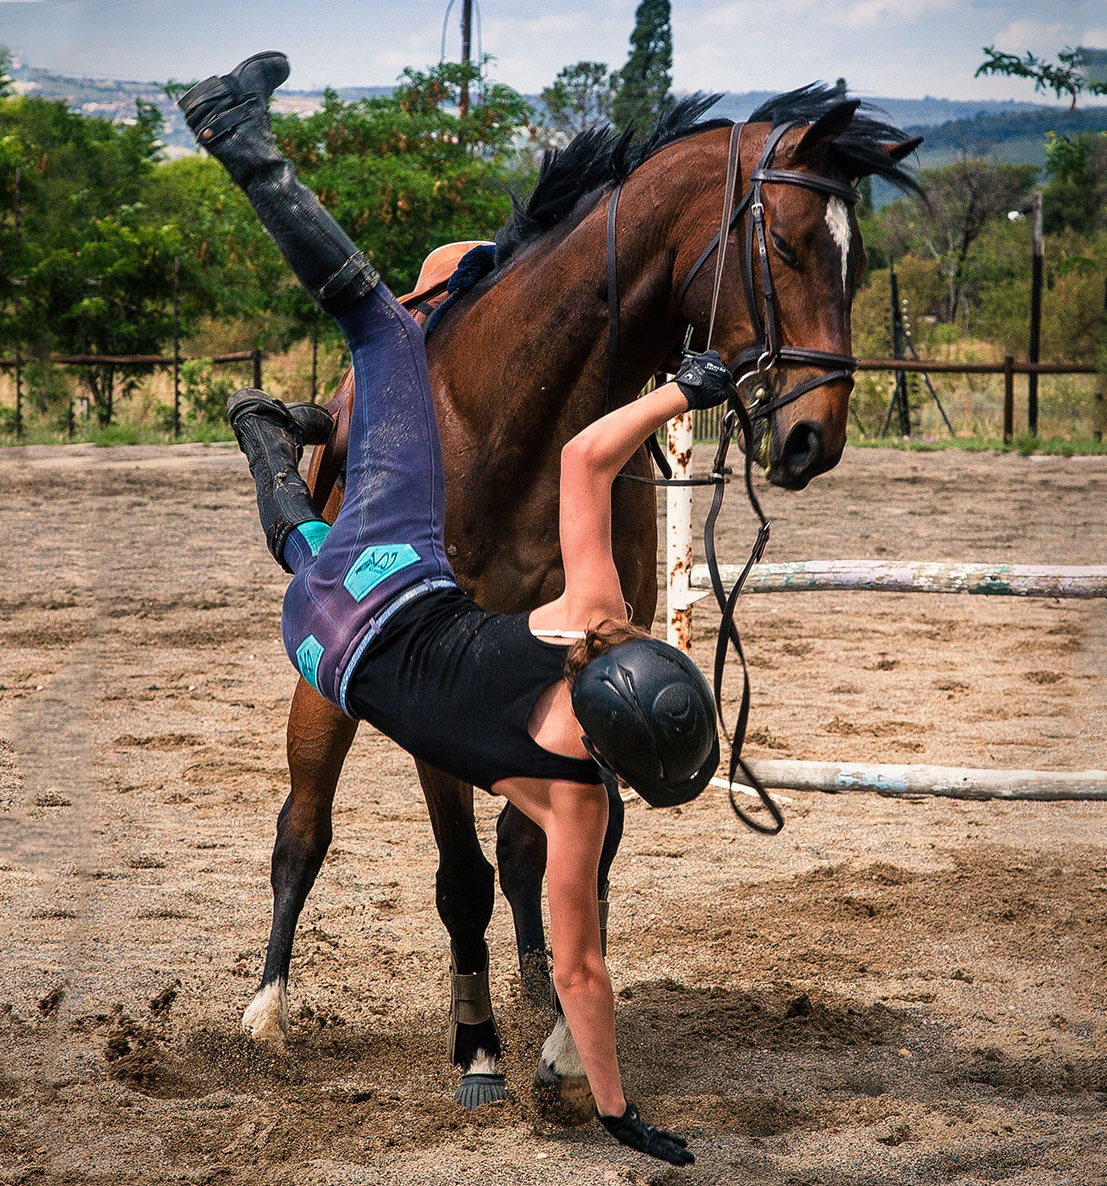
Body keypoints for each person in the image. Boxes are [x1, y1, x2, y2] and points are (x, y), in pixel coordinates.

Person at [180, 51, 736, 1168]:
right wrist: (623, 1115)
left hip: (388, 576)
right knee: (306, 552)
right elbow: (580, 971)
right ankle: (268, 463)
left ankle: (239, 139)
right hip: (327, 636)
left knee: (382, 328)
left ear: (613, 665)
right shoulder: (577, 814)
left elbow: (583, 457)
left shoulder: (573, 622)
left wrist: (686, 390)